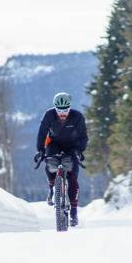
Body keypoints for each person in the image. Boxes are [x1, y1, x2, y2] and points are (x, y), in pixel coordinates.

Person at [34, 92, 88, 226]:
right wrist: (40, 150)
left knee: (72, 177)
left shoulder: (77, 117)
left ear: (69, 108)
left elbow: (83, 136)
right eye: (59, 110)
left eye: (65, 110)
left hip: (72, 146)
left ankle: (74, 213)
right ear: (55, 108)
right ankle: (52, 187)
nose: (62, 114)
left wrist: (80, 150)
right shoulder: (49, 115)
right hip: (54, 144)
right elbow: (42, 133)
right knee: (49, 162)